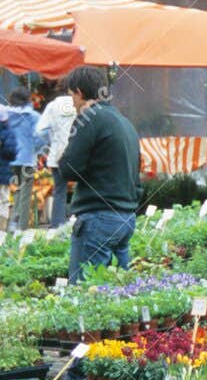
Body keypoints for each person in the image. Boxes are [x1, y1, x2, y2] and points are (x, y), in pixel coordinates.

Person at [57, 66, 140, 282]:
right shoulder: (124, 121)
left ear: (79, 92)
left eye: (71, 95)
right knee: (117, 294)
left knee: (85, 296)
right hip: (125, 217)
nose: (72, 102)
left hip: (98, 217)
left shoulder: (89, 118)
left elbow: (68, 167)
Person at [35, 81, 78, 228]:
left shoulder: (52, 106)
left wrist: (51, 140)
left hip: (56, 156)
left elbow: (40, 130)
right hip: (76, 153)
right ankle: (76, 223)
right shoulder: (78, 105)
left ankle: (56, 227)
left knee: (60, 192)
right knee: (80, 189)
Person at [2, 89, 40, 232]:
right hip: (27, 159)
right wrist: (35, 149)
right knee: (24, 194)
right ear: (28, 99)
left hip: (10, 159)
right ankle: (21, 228)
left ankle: (9, 225)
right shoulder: (33, 116)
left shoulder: (5, 115)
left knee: (11, 193)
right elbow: (40, 136)